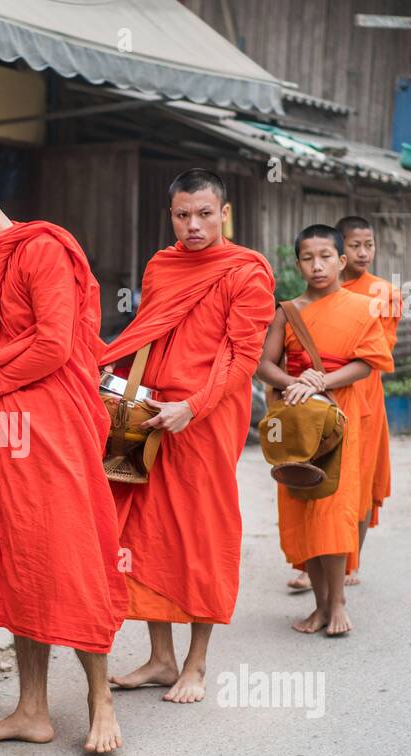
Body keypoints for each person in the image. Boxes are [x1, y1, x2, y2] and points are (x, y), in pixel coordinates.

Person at [0, 157, 128, 753]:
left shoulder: (40, 249)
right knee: (19, 563)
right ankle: (33, 710)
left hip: (53, 428)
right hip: (1, 435)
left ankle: (101, 700)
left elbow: (54, 343)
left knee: (72, 558)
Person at [98, 168, 275, 701]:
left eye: (204, 214)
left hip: (207, 419)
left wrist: (192, 408)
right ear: (170, 214)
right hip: (153, 413)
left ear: (224, 213)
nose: (193, 225)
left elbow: (242, 358)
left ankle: (196, 664)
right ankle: (160, 658)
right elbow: (148, 334)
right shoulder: (162, 266)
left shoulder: (248, 271)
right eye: (182, 215)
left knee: (200, 532)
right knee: (147, 532)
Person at [256, 225, 392, 636]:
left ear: (341, 260)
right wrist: (296, 382)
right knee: (301, 507)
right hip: (297, 417)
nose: (317, 266)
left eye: (326, 257)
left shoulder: (361, 306)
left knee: (332, 509)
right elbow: (264, 364)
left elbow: (368, 362)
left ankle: (337, 603)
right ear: (297, 263)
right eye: (308, 258)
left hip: (339, 415)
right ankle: (318, 605)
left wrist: (321, 381)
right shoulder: (288, 310)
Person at [286, 215, 401, 593]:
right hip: (309, 399)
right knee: (309, 478)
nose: (363, 253)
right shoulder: (300, 304)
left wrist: (325, 378)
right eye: (355, 245)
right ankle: (313, 562)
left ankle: (350, 558)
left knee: (356, 482)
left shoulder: (378, 294)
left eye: (369, 245)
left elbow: (373, 355)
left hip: (360, 398)